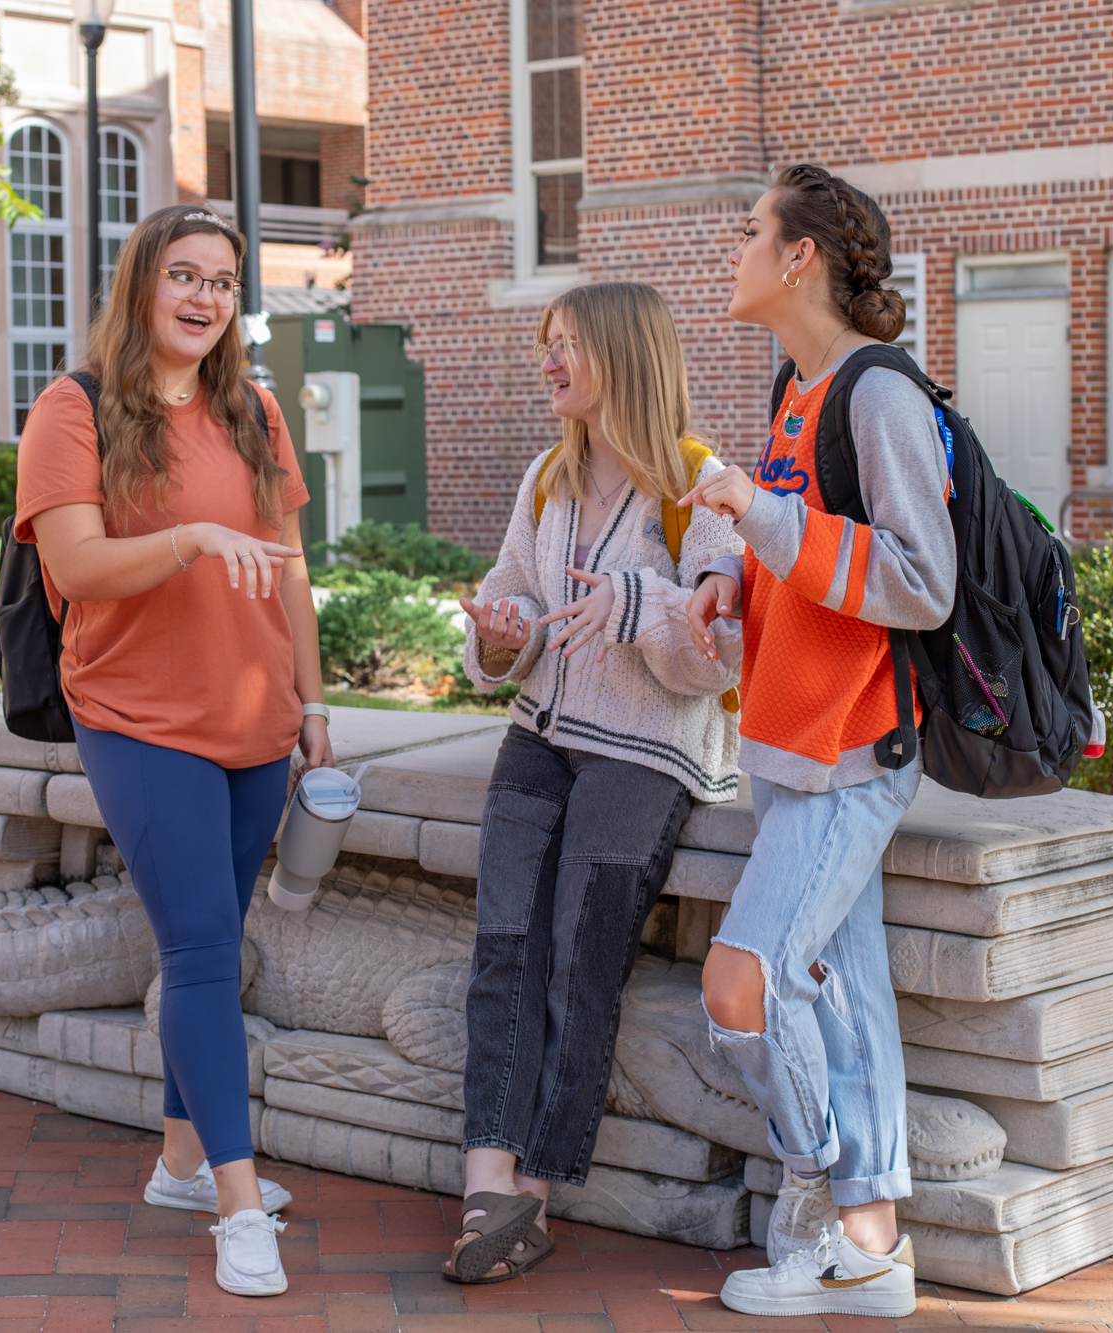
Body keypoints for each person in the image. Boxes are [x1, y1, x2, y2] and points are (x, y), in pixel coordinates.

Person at [15, 203, 331, 1299]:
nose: (205, 298)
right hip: (137, 717)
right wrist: (191, 538)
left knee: (218, 939)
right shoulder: (74, 410)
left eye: (225, 283)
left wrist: (314, 710)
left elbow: (287, 568)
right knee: (198, 945)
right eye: (185, 276)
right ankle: (239, 1210)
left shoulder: (253, 411)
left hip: (254, 720)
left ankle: (182, 1163)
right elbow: (81, 566)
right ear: (142, 284)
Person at [679, 164, 956, 1319]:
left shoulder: (873, 394)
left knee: (743, 981)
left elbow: (920, 583)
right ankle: (869, 1247)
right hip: (790, 748)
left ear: (799, 257)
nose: (732, 249)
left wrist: (758, 515)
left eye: (749, 232)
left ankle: (801, 1207)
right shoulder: (793, 391)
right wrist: (733, 588)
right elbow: (804, 555)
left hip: (854, 751)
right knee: (845, 1003)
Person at [442, 281, 746, 1284]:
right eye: (546, 346)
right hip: (537, 739)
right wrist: (497, 634)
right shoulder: (547, 479)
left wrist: (635, 606)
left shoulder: (696, 489)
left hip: (645, 754)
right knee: (503, 948)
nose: (548, 364)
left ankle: (534, 1187)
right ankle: (484, 1174)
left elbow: (721, 655)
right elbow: (509, 605)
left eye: (565, 345)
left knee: (577, 957)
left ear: (620, 355)